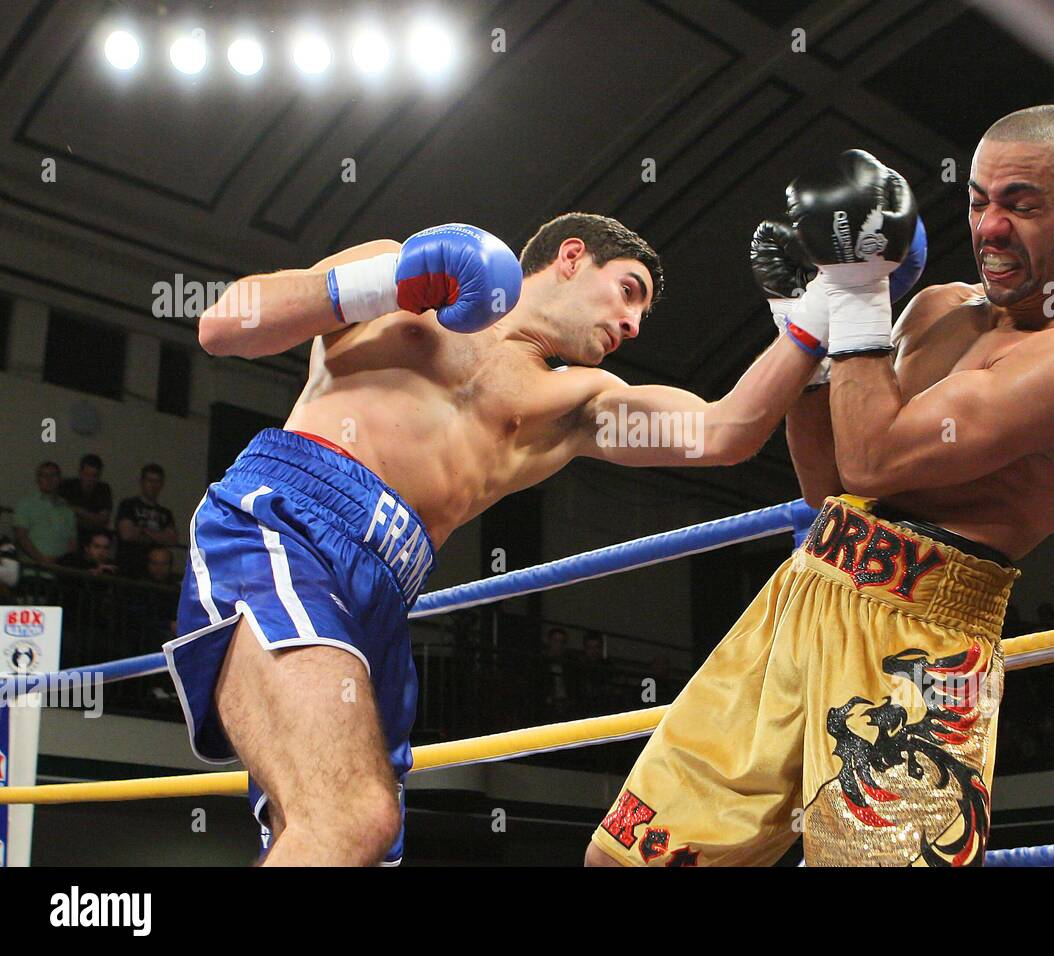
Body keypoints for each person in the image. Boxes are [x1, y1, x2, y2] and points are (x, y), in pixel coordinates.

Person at [166, 213, 832, 866]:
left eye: (642, 316)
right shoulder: (400, 278)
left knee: (347, 836)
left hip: (385, 593)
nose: (632, 324)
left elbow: (723, 433)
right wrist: (388, 281)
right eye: (628, 291)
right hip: (288, 521)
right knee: (350, 817)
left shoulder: (575, 406)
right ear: (571, 257)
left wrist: (810, 316)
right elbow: (224, 327)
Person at [588, 104, 1054, 867]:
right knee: (626, 859)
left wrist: (853, 296)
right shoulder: (941, 308)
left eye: (1022, 203)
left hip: (920, 645)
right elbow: (833, 484)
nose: (992, 228)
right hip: (809, 588)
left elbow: (876, 463)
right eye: (978, 201)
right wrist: (804, 331)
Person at [13, 461, 77, 572]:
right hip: (32, 570)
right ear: (38, 479)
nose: (49, 479)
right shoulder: (26, 504)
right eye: (44, 475)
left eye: (53, 475)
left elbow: (72, 542)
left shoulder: (67, 509)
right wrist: (42, 560)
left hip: (60, 573)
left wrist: (61, 562)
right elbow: (21, 536)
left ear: (59, 479)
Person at [115, 464, 177, 578]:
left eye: (157, 481)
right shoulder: (128, 505)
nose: (153, 485)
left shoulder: (166, 513)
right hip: (129, 567)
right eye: (150, 481)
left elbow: (171, 540)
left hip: (157, 573)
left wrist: (142, 531)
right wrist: (158, 537)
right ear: (142, 482)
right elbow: (127, 534)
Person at [59, 453, 113, 547]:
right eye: (87, 475)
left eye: (94, 476)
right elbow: (61, 517)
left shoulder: (103, 489)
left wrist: (77, 510)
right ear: (80, 473)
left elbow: (102, 520)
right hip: (67, 536)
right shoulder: (67, 486)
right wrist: (91, 518)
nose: (90, 479)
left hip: (93, 538)